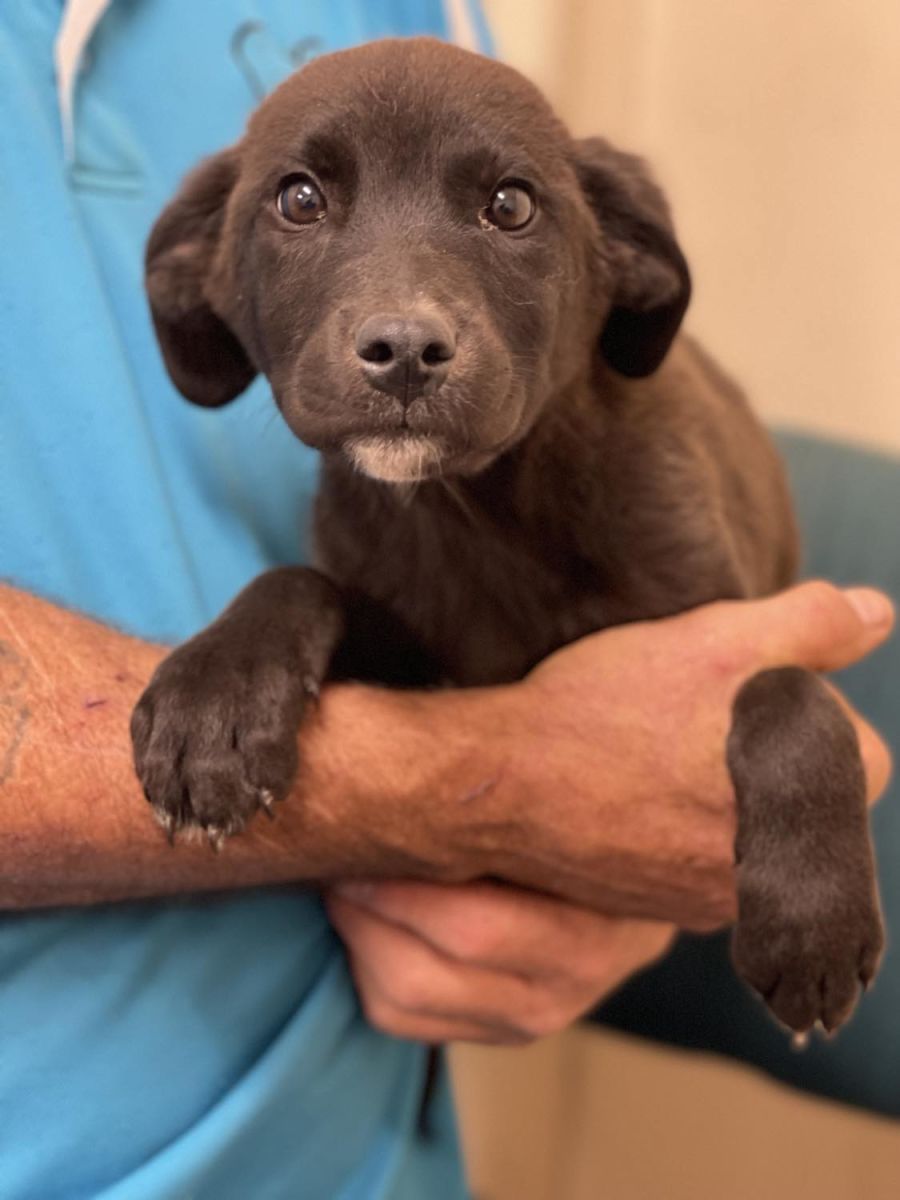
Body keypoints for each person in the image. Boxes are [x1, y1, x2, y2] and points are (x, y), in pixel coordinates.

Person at [0, 3, 893, 1198]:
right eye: (303, 203)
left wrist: (782, 756)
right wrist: (291, 627)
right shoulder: (354, 541)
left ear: (620, 263)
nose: (403, 325)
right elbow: (381, 636)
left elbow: (735, 676)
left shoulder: (652, 494)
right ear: (203, 276)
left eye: (507, 208)